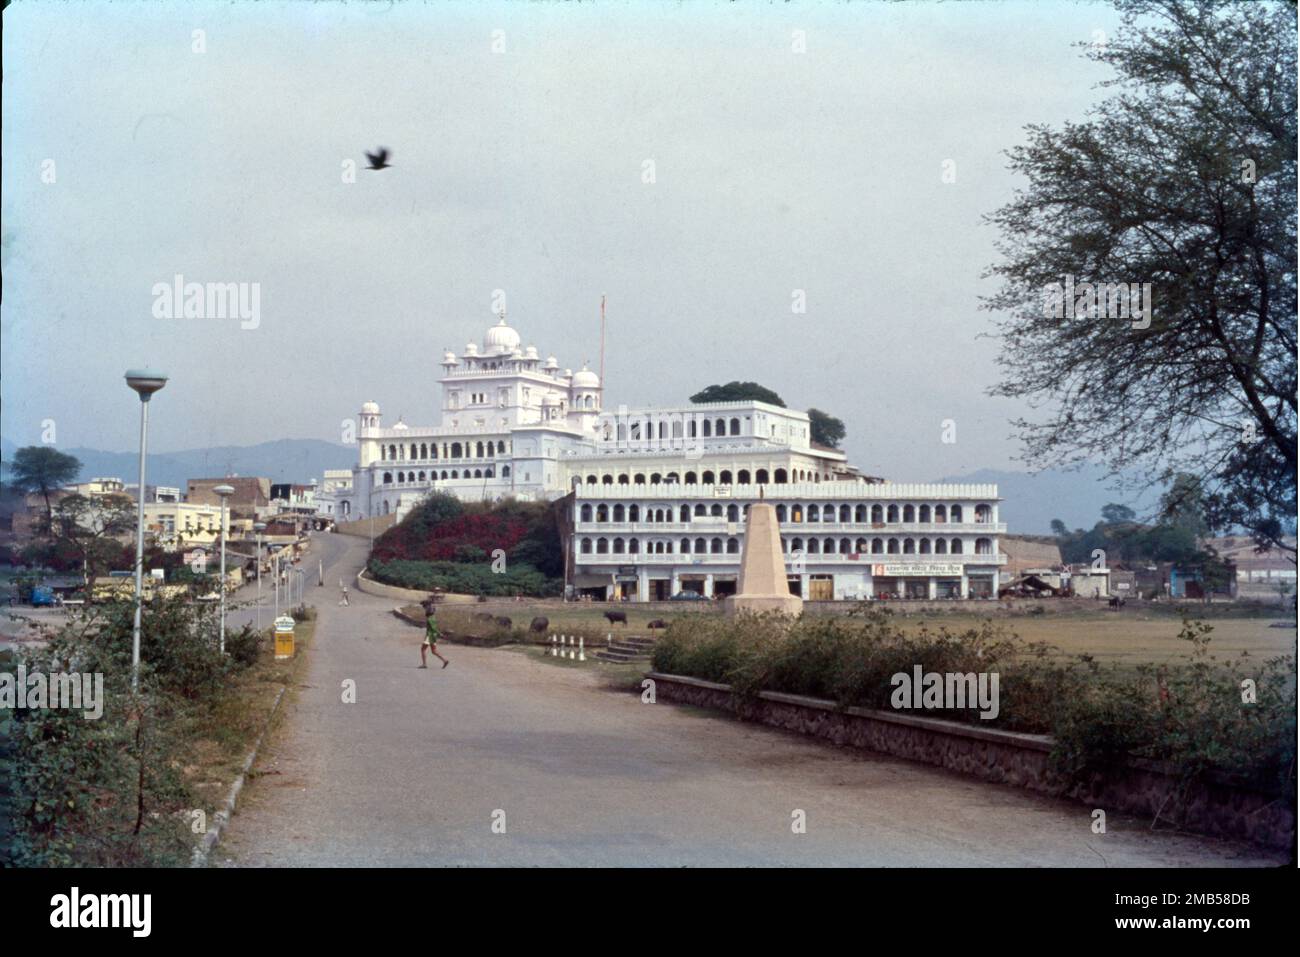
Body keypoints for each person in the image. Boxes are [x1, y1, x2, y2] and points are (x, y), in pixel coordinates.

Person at [419, 600, 449, 669]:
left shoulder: (429, 619)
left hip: (430, 636)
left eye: (424, 607)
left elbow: (433, 628)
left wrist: (440, 634)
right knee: (434, 651)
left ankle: (424, 664)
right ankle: (445, 660)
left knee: (423, 649)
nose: (424, 609)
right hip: (433, 636)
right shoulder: (433, 618)